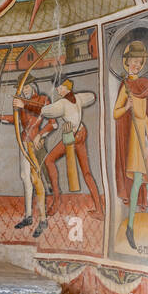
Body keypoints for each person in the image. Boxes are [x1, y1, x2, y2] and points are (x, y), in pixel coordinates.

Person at [112, 40, 148, 251]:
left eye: (138, 62)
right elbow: (116, 113)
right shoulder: (125, 87)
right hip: (135, 137)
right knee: (136, 185)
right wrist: (126, 106)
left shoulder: (144, 84)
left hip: (147, 133)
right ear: (126, 63)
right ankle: (130, 228)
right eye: (132, 62)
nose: (135, 65)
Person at [0, 80, 53, 235]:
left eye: (26, 87)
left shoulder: (42, 99)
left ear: (32, 87)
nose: (24, 90)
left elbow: (49, 118)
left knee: (36, 179)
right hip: (23, 142)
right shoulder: (22, 102)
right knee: (25, 177)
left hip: (35, 144)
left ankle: (43, 219)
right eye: (22, 88)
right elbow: (17, 119)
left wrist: (40, 134)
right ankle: (29, 216)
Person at [34, 78, 103, 219]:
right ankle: (100, 210)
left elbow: (45, 111)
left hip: (72, 136)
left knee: (49, 161)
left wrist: (27, 105)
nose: (58, 90)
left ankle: (56, 201)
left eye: (60, 88)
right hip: (82, 132)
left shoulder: (63, 103)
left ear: (66, 87)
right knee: (87, 173)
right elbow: (92, 96)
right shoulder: (78, 97)